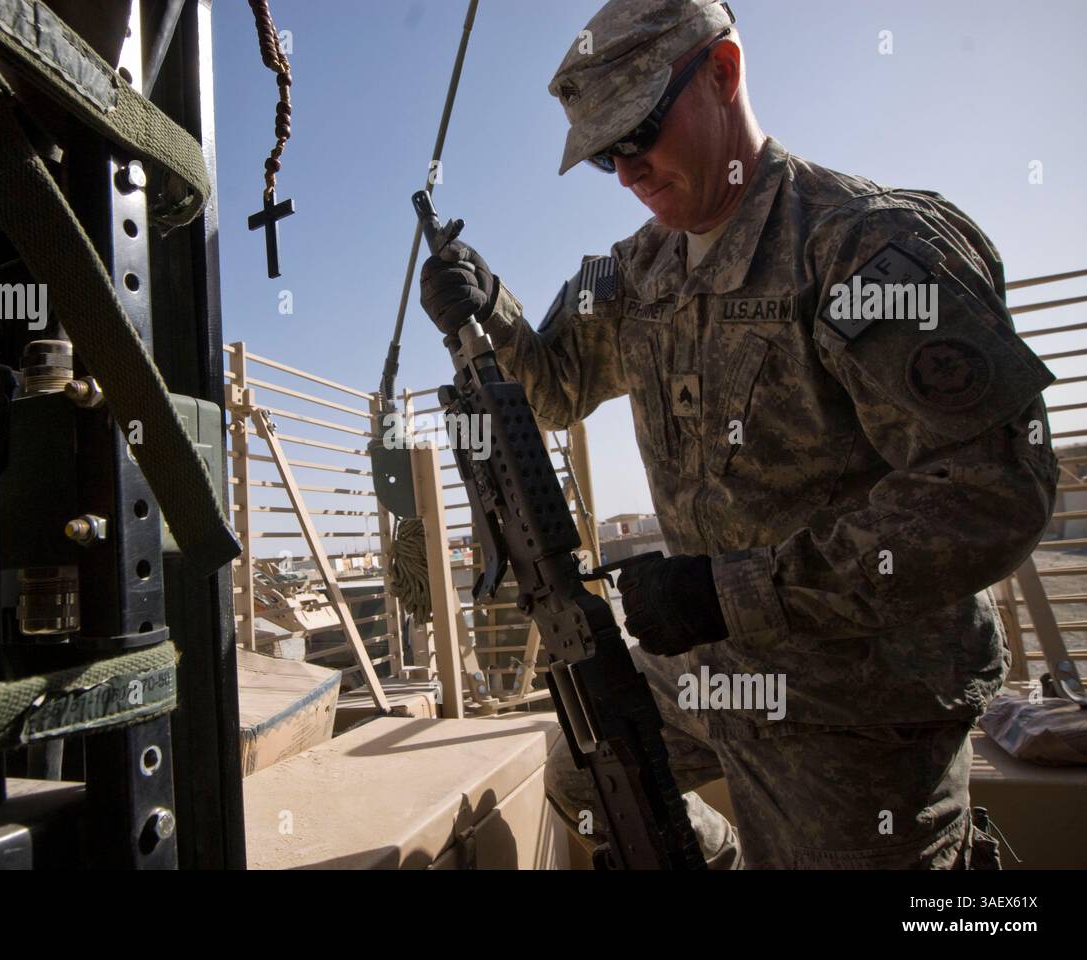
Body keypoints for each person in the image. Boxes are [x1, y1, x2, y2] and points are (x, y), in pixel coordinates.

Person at [418, 0, 1058, 869]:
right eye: (605, 152)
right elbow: (558, 389)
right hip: (711, 666)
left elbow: (991, 494)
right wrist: (488, 306)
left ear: (723, 73)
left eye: (640, 130)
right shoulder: (634, 271)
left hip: (855, 700)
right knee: (584, 775)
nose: (628, 170)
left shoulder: (861, 248)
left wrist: (733, 592)